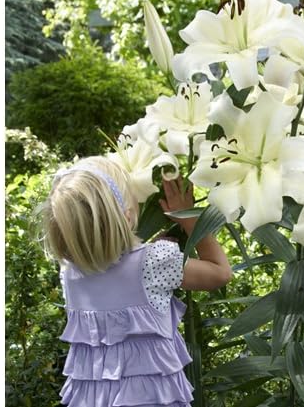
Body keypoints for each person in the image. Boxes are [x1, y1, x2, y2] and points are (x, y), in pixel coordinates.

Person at [37, 156, 231, 407]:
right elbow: (220, 272)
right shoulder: (155, 262)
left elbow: (113, 271)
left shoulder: (69, 274)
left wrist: (153, 251)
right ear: (127, 218)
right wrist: (189, 218)